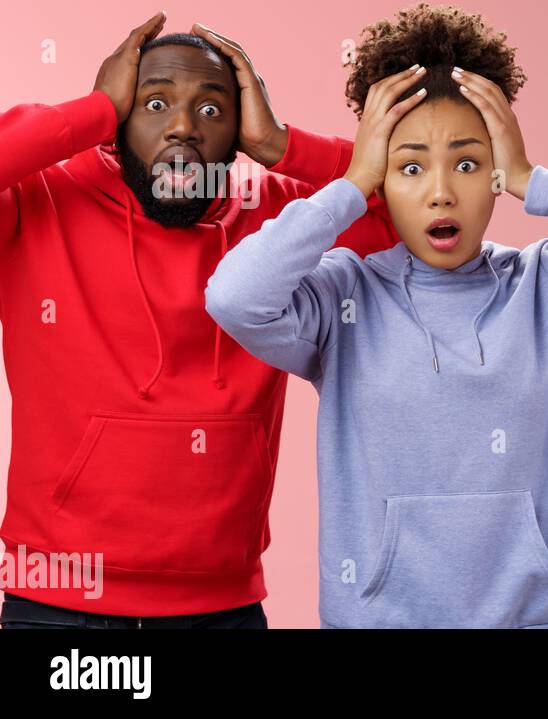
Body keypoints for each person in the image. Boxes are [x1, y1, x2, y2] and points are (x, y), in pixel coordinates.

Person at [205, 4, 548, 628]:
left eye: (467, 163)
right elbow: (234, 296)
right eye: (408, 168)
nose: (440, 191)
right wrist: (350, 187)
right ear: (383, 180)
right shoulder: (344, 300)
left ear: (494, 175)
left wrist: (538, 181)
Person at [0, 12, 397, 628]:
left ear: (240, 131)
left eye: (212, 110)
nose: (183, 127)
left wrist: (282, 146)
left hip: (222, 607)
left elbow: (409, 215)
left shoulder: (279, 217)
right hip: (57, 601)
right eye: (154, 103)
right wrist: (92, 110)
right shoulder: (41, 200)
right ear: (119, 121)